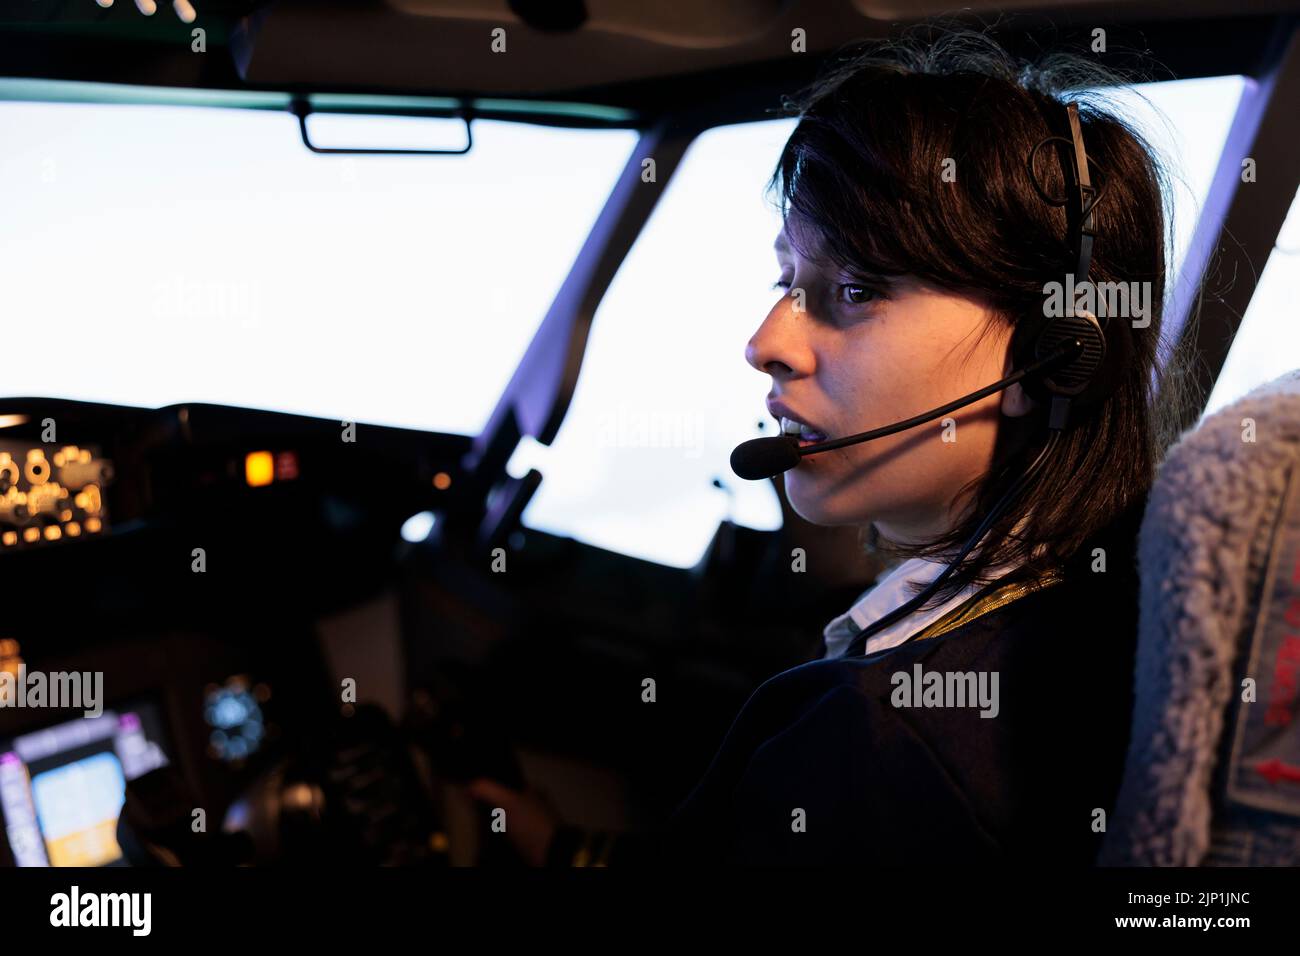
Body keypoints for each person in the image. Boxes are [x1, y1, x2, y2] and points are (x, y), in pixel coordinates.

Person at [468, 25, 1197, 866]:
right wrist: (563, 849)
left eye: (855, 288)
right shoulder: (1113, 627)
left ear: (1057, 349)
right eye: (787, 280)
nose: (766, 341)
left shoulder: (884, 743)